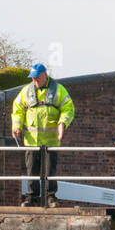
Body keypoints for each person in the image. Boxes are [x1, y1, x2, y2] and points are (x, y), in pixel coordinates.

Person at [11, 63, 75, 208]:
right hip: (31, 141)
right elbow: (18, 110)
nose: (35, 81)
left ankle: (50, 198)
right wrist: (17, 126)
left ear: (45, 74)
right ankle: (32, 198)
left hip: (51, 141)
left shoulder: (58, 90)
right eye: (33, 78)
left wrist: (62, 123)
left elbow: (68, 108)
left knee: (49, 171)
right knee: (31, 170)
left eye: (37, 77)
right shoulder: (26, 91)